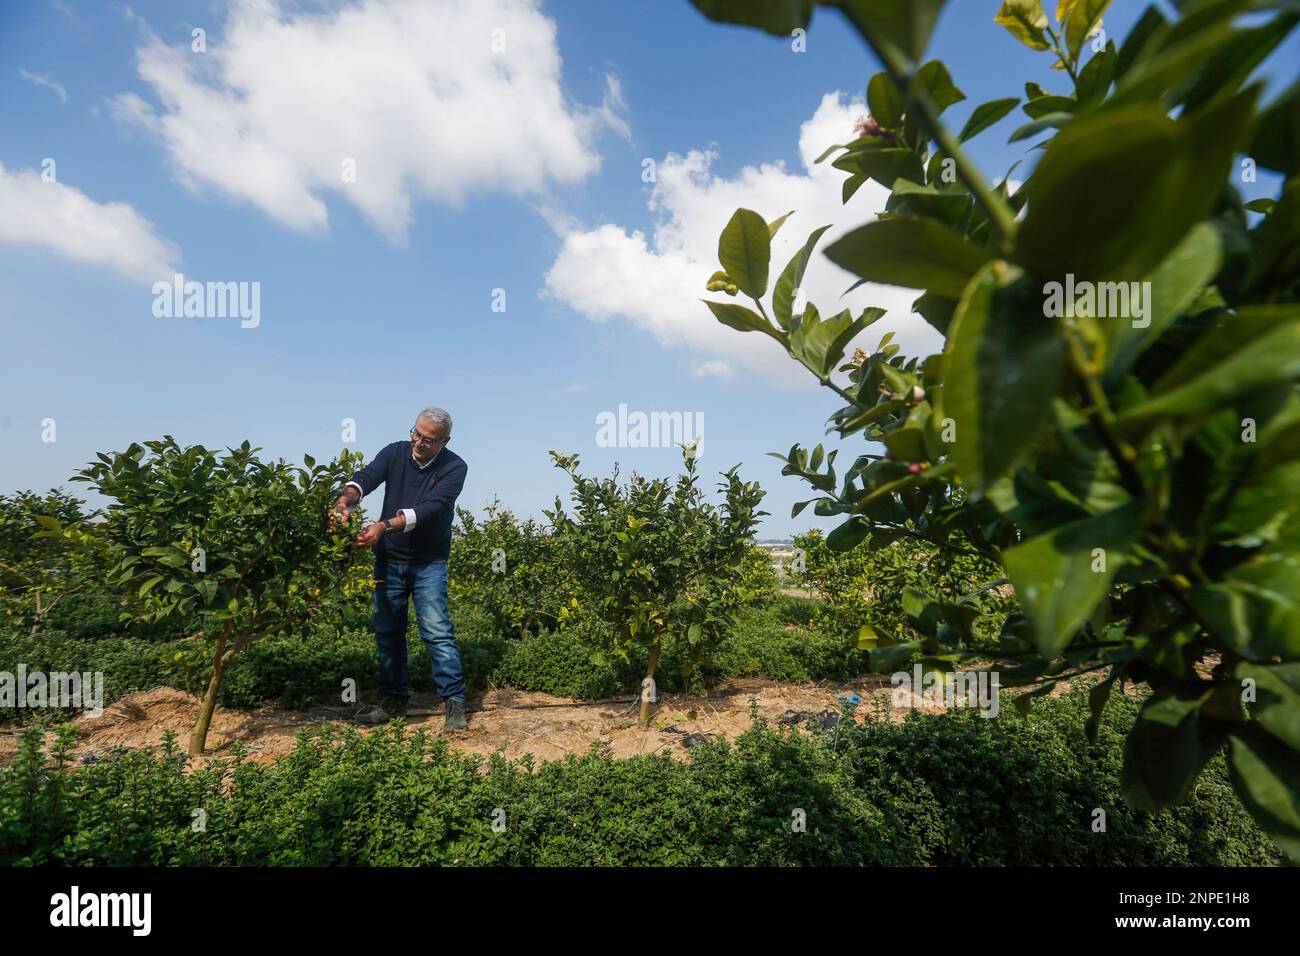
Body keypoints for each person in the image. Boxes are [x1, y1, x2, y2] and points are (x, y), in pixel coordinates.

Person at [333, 406, 470, 729]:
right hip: (389, 561)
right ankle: (394, 700)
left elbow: (430, 509)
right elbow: (366, 477)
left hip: (429, 563)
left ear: (444, 441)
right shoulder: (395, 453)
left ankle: (454, 701)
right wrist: (346, 500)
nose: (418, 442)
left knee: (437, 631)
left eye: (428, 439)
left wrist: (384, 526)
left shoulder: (455, 467)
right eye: (416, 433)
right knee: (388, 632)